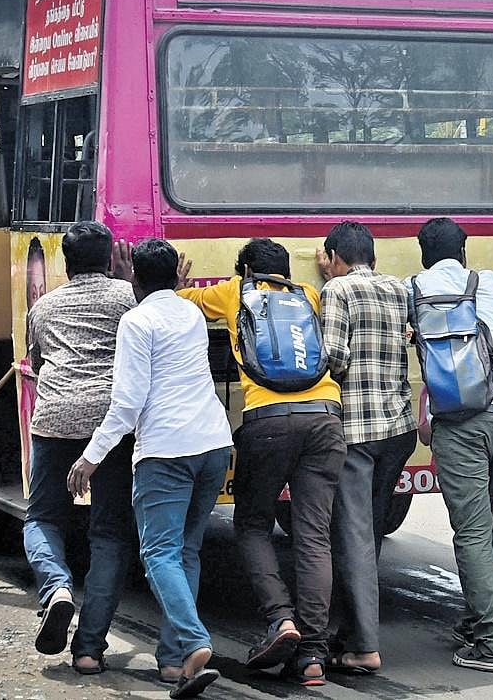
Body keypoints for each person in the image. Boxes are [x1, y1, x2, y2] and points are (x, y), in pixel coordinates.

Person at [68, 239, 233, 698]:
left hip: (167, 451)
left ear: (134, 278)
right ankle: (173, 661)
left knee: (159, 553)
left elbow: (126, 404)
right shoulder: (192, 313)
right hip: (213, 444)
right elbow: (167, 300)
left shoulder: (136, 321)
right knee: (186, 552)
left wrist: (91, 456)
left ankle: (195, 642)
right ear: (177, 278)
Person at [178, 239, 345, 685]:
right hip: (325, 417)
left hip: (267, 421)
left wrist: (178, 284)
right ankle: (312, 654)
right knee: (314, 534)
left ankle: (281, 619)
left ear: (247, 269)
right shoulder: (307, 295)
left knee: (252, 524)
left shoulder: (235, 291)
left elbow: (180, 302)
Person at [404, 218, 493, 673]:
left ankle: (492, 642)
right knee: (485, 516)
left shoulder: (412, 287)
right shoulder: (487, 282)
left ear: (422, 253)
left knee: (471, 530)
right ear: (464, 249)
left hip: (460, 419)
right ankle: (478, 618)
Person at [23, 221, 138, 674]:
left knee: (43, 517)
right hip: (112, 426)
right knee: (109, 532)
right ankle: (89, 648)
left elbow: (34, 362)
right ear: (111, 260)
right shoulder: (130, 299)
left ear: (65, 263)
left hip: (54, 420)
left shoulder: (44, 306)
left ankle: (56, 588)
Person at [317, 221, 417, 674]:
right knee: (371, 531)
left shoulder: (336, 291)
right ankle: (348, 630)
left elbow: (333, 357)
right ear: (373, 257)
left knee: (354, 536)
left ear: (335, 257)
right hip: (398, 428)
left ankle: (363, 645)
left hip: (357, 429)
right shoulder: (398, 288)